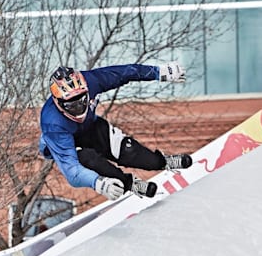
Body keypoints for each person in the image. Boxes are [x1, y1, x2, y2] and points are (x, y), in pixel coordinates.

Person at [38, 62, 193, 200]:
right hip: (67, 142)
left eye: (82, 100)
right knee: (89, 159)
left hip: (91, 127)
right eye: (72, 105)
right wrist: (99, 183)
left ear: (86, 89)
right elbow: (73, 172)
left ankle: (162, 162)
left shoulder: (92, 81)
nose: (79, 108)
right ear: (58, 102)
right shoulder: (52, 123)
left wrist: (158, 72)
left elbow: (125, 72)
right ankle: (130, 184)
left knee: (127, 149)